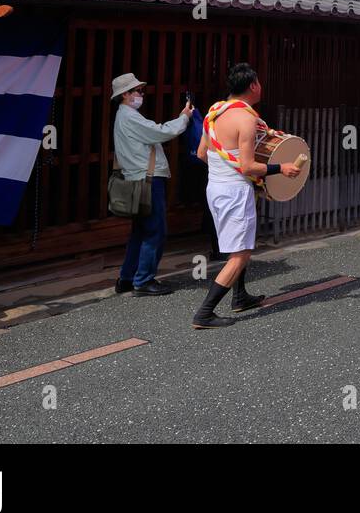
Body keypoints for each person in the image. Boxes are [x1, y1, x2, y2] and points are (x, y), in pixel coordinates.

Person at [193, 63, 300, 328]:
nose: (261, 86)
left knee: (236, 245)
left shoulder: (214, 113)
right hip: (234, 192)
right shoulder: (246, 119)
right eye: (259, 82)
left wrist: (224, 172)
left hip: (215, 189)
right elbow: (248, 166)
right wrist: (280, 168)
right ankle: (204, 313)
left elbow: (201, 154)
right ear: (252, 86)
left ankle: (240, 296)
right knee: (240, 252)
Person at [110, 72, 193, 296]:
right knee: (155, 230)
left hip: (135, 179)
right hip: (147, 179)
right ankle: (144, 280)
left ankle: (127, 278)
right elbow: (162, 132)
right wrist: (184, 117)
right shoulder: (130, 116)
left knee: (140, 231)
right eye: (137, 91)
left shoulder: (123, 116)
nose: (141, 94)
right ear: (125, 94)